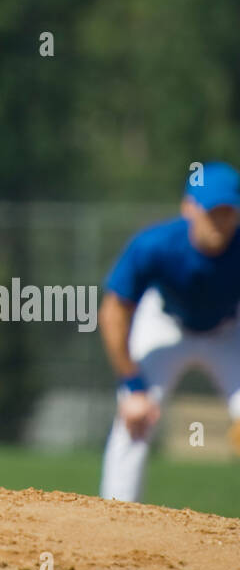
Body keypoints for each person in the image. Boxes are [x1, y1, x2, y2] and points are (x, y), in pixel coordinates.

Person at [99, 162, 240, 501]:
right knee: (135, 418)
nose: (220, 222)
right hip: (164, 326)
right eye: (212, 211)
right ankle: (114, 519)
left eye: (229, 212)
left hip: (229, 330)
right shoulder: (155, 246)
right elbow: (114, 312)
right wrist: (131, 384)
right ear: (189, 208)